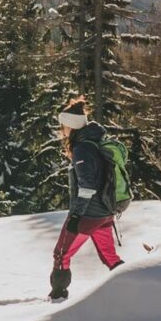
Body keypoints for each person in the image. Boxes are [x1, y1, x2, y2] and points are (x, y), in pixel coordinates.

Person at [49, 97, 124, 301]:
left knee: (61, 254)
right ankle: (131, 286)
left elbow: (87, 185)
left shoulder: (82, 148)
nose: (61, 129)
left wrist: (76, 216)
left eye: (63, 125)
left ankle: (57, 297)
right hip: (104, 211)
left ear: (71, 126)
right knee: (109, 256)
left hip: (89, 213)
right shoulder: (92, 141)